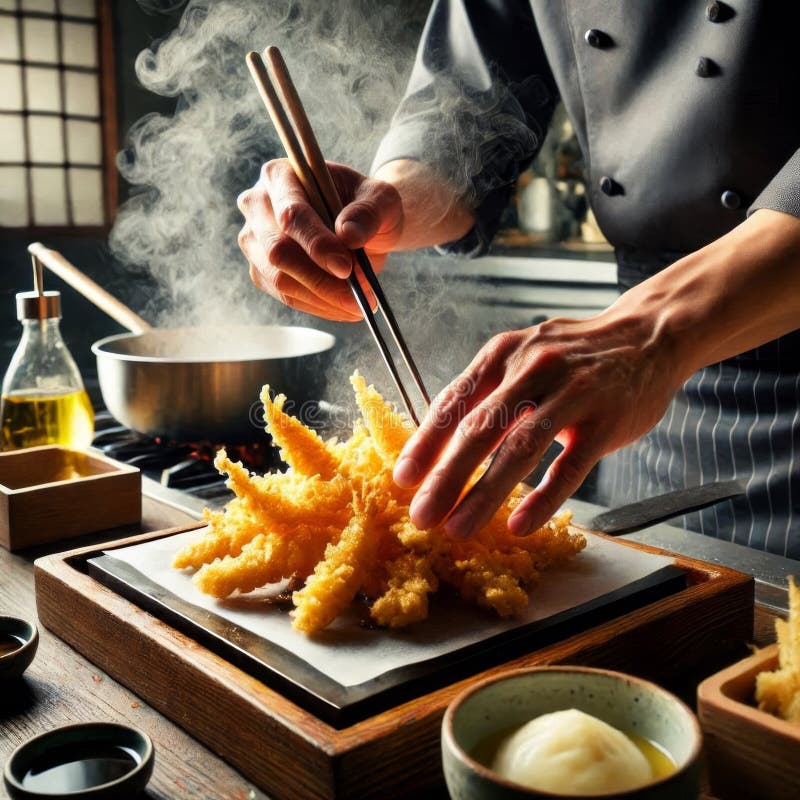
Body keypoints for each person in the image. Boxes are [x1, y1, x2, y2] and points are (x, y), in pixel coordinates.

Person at [237, 1, 800, 557]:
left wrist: (653, 332)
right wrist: (391, 200)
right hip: (638, 412)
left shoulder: (639, 342)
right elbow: (471, 93)